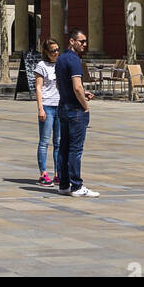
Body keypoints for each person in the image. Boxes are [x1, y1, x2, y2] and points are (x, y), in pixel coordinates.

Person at [55, 29, 99, 198]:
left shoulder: (60, 59)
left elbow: (60, 85)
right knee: (75, 149)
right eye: (81, 41)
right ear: (72, 41)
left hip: (63, 107)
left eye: (85, 41)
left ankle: (64, 185)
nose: (85, 45)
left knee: (63, 148)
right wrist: (85, 105)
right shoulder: (74, 60)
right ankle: (77, 186)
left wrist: (76, 94)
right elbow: (77, 86)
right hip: (75, 110)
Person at [35, 37, 61, 185]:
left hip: (60, 106)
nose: (56, 53)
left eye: (57, 50)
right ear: (46, 52)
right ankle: (43, 173)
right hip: (47, 106)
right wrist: (40, 108)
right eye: (52, 51)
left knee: (58, 143)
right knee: (44, 142)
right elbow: (38, 88)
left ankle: (58, 173)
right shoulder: (41, 66)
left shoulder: (60, 65)